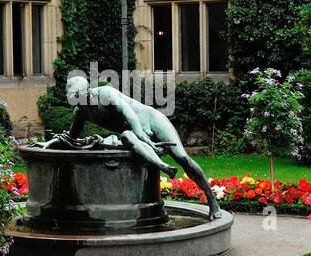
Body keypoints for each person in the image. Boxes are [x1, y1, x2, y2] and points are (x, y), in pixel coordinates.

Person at [45, 75, 224, 220]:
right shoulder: (81, 112)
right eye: (76, 102)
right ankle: (147, 206)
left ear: (88, 92)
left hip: (150, 120)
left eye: (81, 99)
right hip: (131, 133)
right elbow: (70, 137)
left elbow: (128, 113)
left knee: (182, 157)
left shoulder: (105, 93)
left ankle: (212, 201)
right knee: (135, 147)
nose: (79, 105)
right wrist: (46, 145)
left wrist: (144, 136)